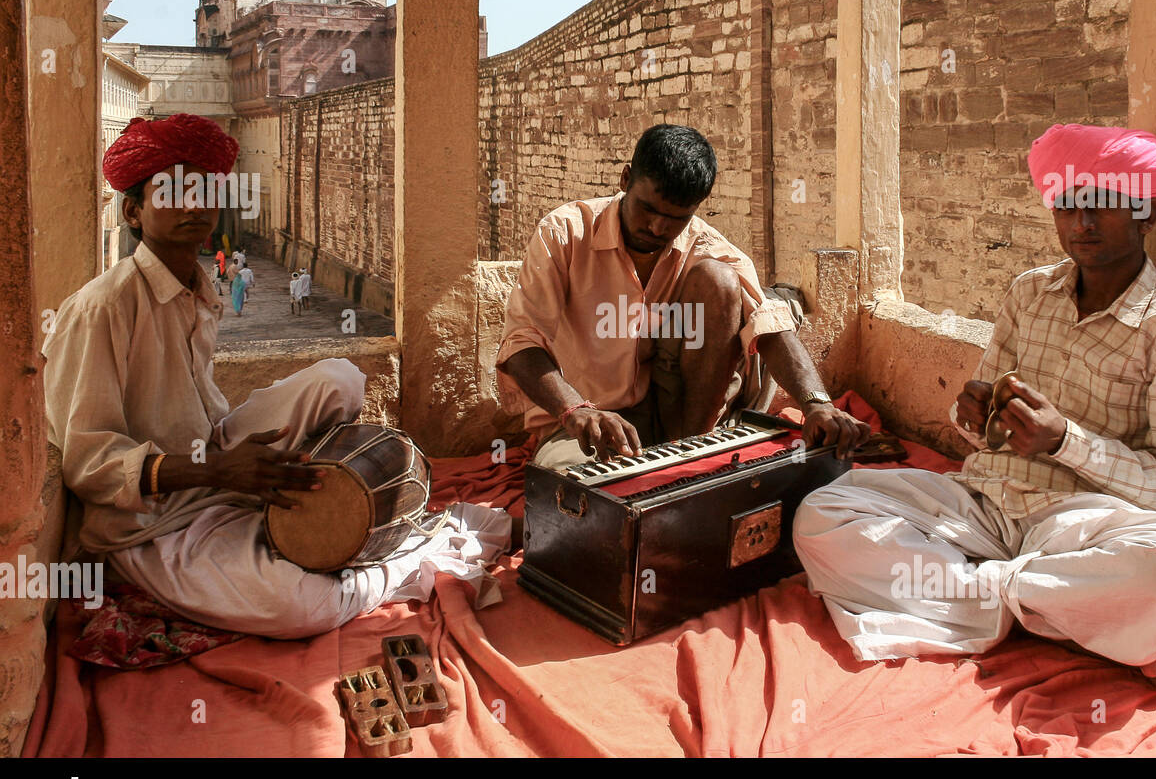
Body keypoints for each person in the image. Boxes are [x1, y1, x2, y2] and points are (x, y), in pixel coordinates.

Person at [793, 124, 1156, 691]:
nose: (1082, 223)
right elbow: (982, 436)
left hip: (1079, 529)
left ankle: (981, 594)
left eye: (1103, 205)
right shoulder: (1029, 294)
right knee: (822, 513)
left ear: (1145, 214)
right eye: (1068, 206)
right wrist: (974, 416)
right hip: (984, 505)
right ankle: (1038, 603)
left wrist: (1065, 442)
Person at [42, 114, 459, 638]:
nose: (194, 203)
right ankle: (419, 557)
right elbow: (88, 464)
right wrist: (218, 472)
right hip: (152, 521)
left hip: (214, 452)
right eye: (172, 191)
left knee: (341, 378)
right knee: (301, 608)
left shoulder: (199, 286)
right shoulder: (102, 307)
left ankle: (316, 508)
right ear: (133, 211)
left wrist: (227, 462)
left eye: (204, 188)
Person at [497, 124, 872, 469]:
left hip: (671, 416)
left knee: (719, 280)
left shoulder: (705, 243)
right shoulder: (564, 232)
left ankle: (691, 449)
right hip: (583, 424)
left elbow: (769, 324)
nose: (658, 228)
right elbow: (521, 343)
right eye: (647, 209)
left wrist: (817, 404)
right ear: (626, 178)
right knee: (593, 502)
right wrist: (575, 410)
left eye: (676, 218)